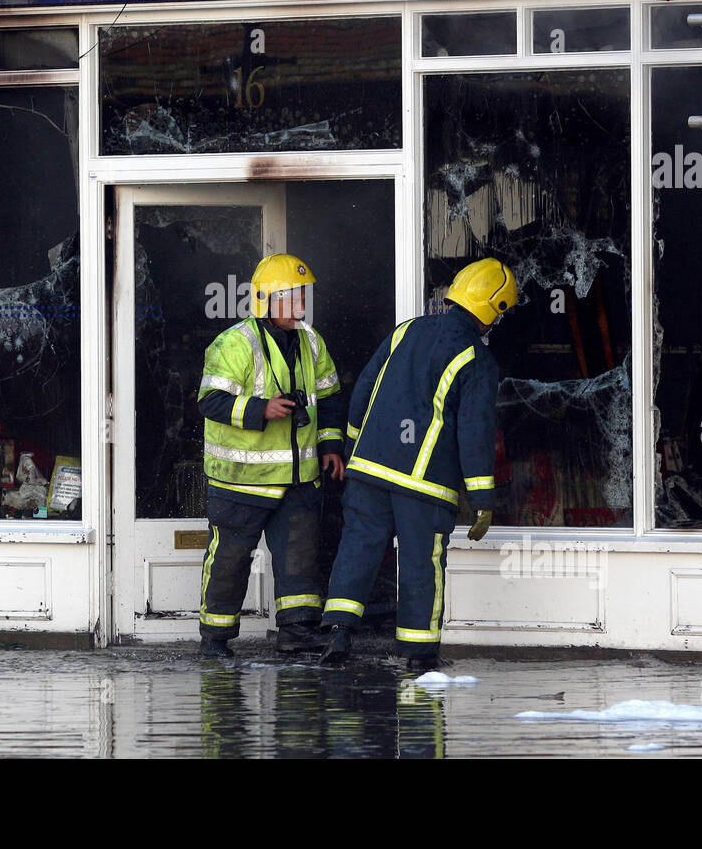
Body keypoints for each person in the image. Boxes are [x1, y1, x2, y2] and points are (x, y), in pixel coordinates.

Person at [320, 257, 517, 671]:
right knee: (421, 564)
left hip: (369, 472)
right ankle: (418, 653)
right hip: (423, 485)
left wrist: (358, 447)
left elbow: (362, 393)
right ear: (493, 310)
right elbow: (474, 432)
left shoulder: (407, 330)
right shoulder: (477, 360)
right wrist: (482, 498)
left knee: (358, 548)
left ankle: (339, 633)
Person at [196, 253, 346, 656]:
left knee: (299, 559)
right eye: (290, 297)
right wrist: (261, 409)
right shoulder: (235, 343)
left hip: (299, 479)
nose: (299, 306)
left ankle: (297, 633)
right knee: (229, 559)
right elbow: (209, 402)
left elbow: (329, 399)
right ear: (264, 301)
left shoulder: (312, 342)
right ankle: (215, 639)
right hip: (240, 480)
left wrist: (331, 447)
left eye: (302, 296)